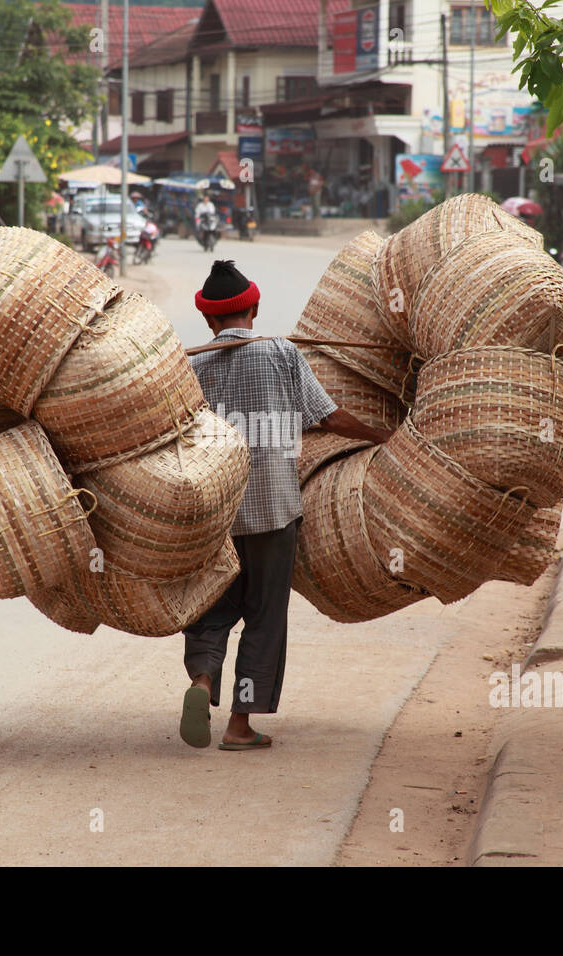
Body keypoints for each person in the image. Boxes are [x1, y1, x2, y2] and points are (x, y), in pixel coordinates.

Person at [179, 260, 392, 751]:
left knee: (211, 607)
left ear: (208, 320)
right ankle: (238, 726)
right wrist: (382, 435)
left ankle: (202, 682)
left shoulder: (192, 366)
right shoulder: (281, 354)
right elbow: (329, 419)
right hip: (274, 512)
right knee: (264, 616)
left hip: (217, 515)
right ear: (253, 309)